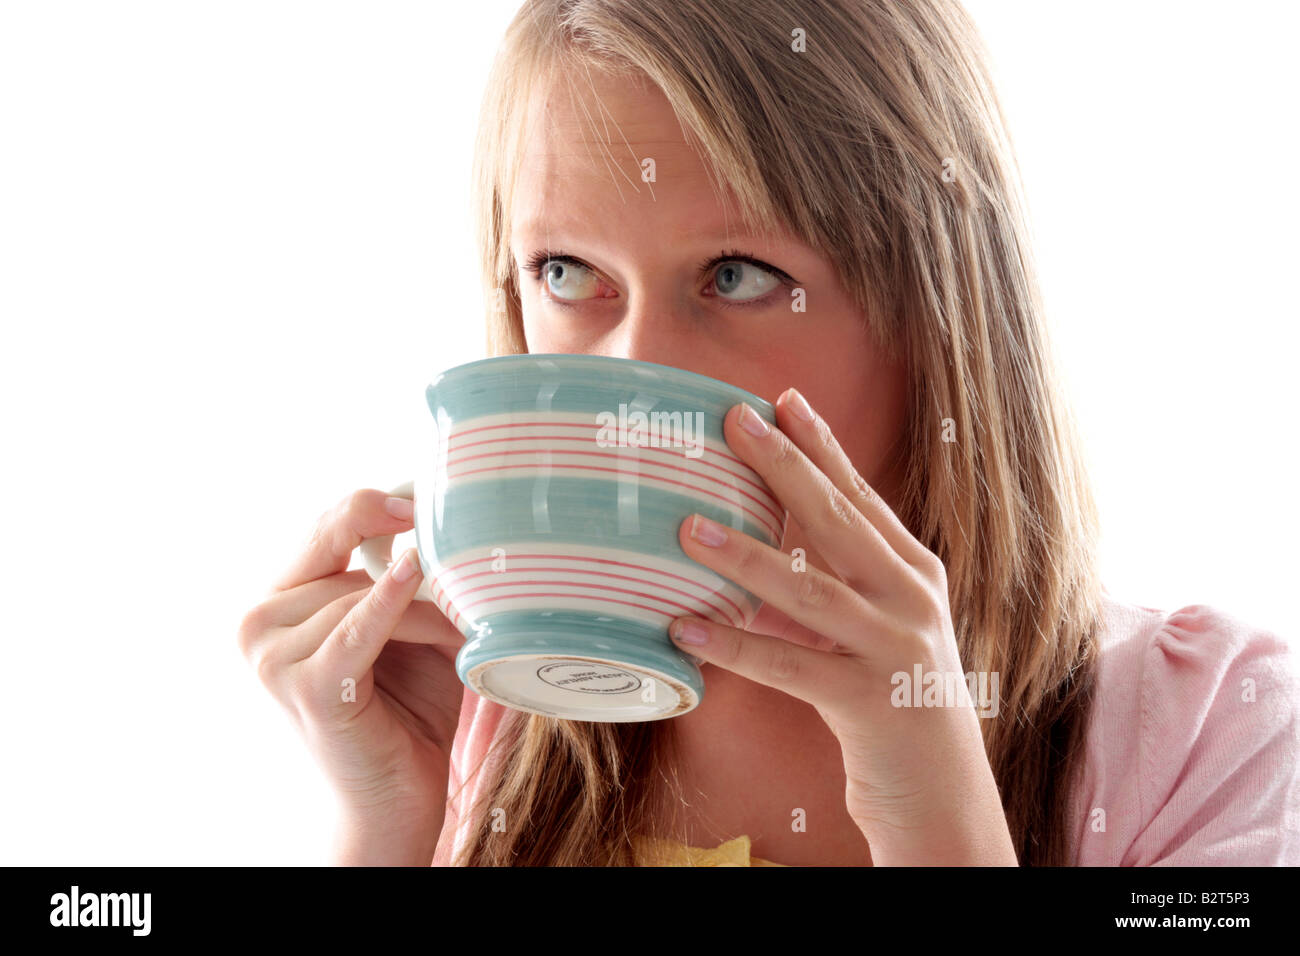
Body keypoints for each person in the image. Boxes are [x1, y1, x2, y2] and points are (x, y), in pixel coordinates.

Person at [238, 0, 1299, 866]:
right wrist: (384, 828)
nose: (635, 382)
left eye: (738, 277)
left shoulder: (1211, 732)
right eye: (567, 274)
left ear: (940, 319)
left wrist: (938, 819)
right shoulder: (476, 721)